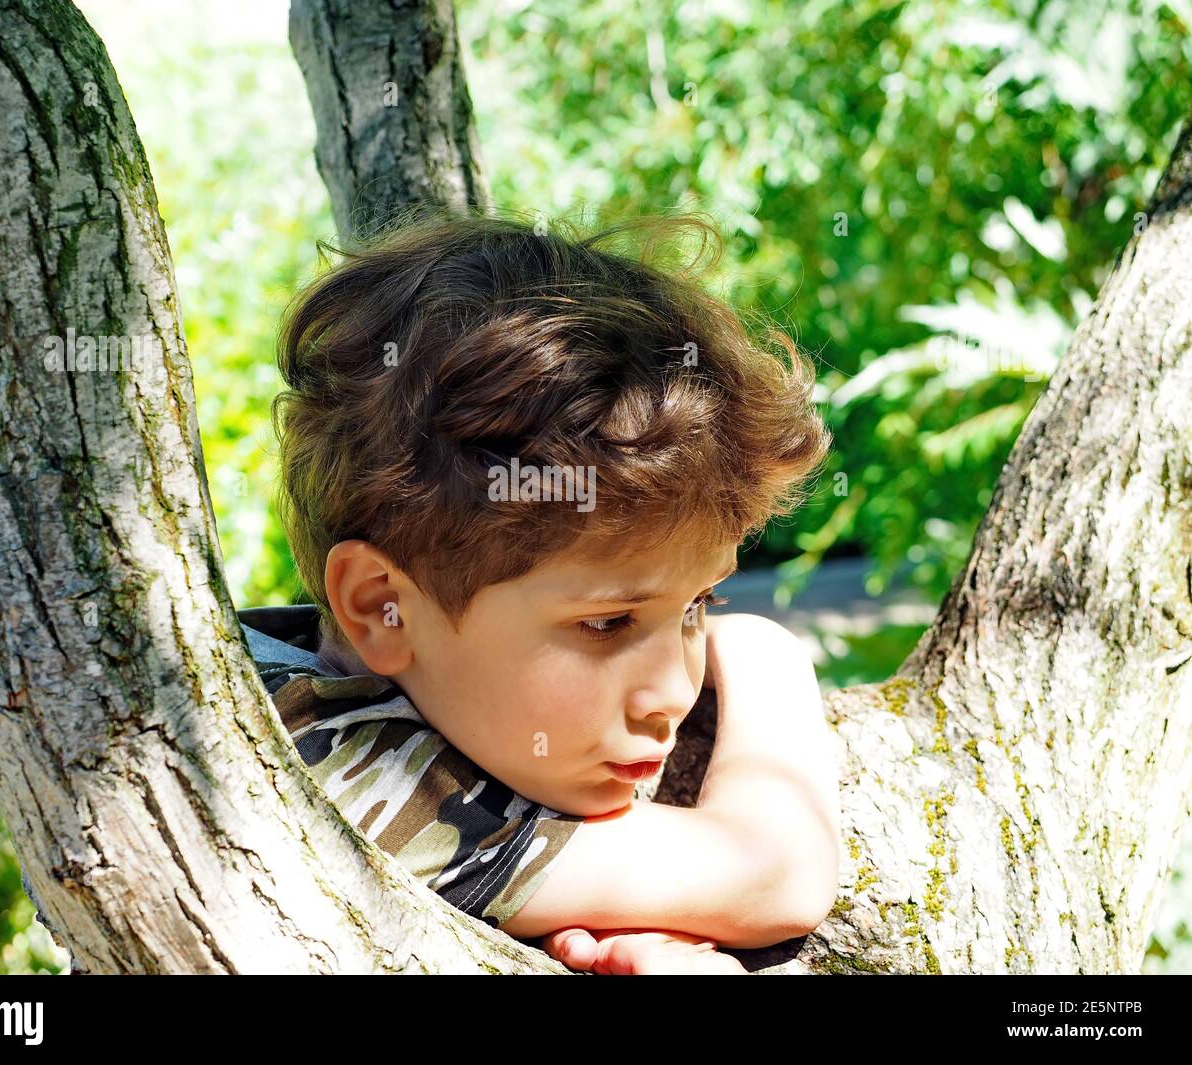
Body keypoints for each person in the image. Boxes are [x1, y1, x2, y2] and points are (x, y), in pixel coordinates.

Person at [252, 206, 841, 974]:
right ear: (379, 606)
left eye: (700, 605)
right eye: (607, 622)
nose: (671, 689)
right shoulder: (316, 766)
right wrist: (770, 658)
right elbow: (772, 873)